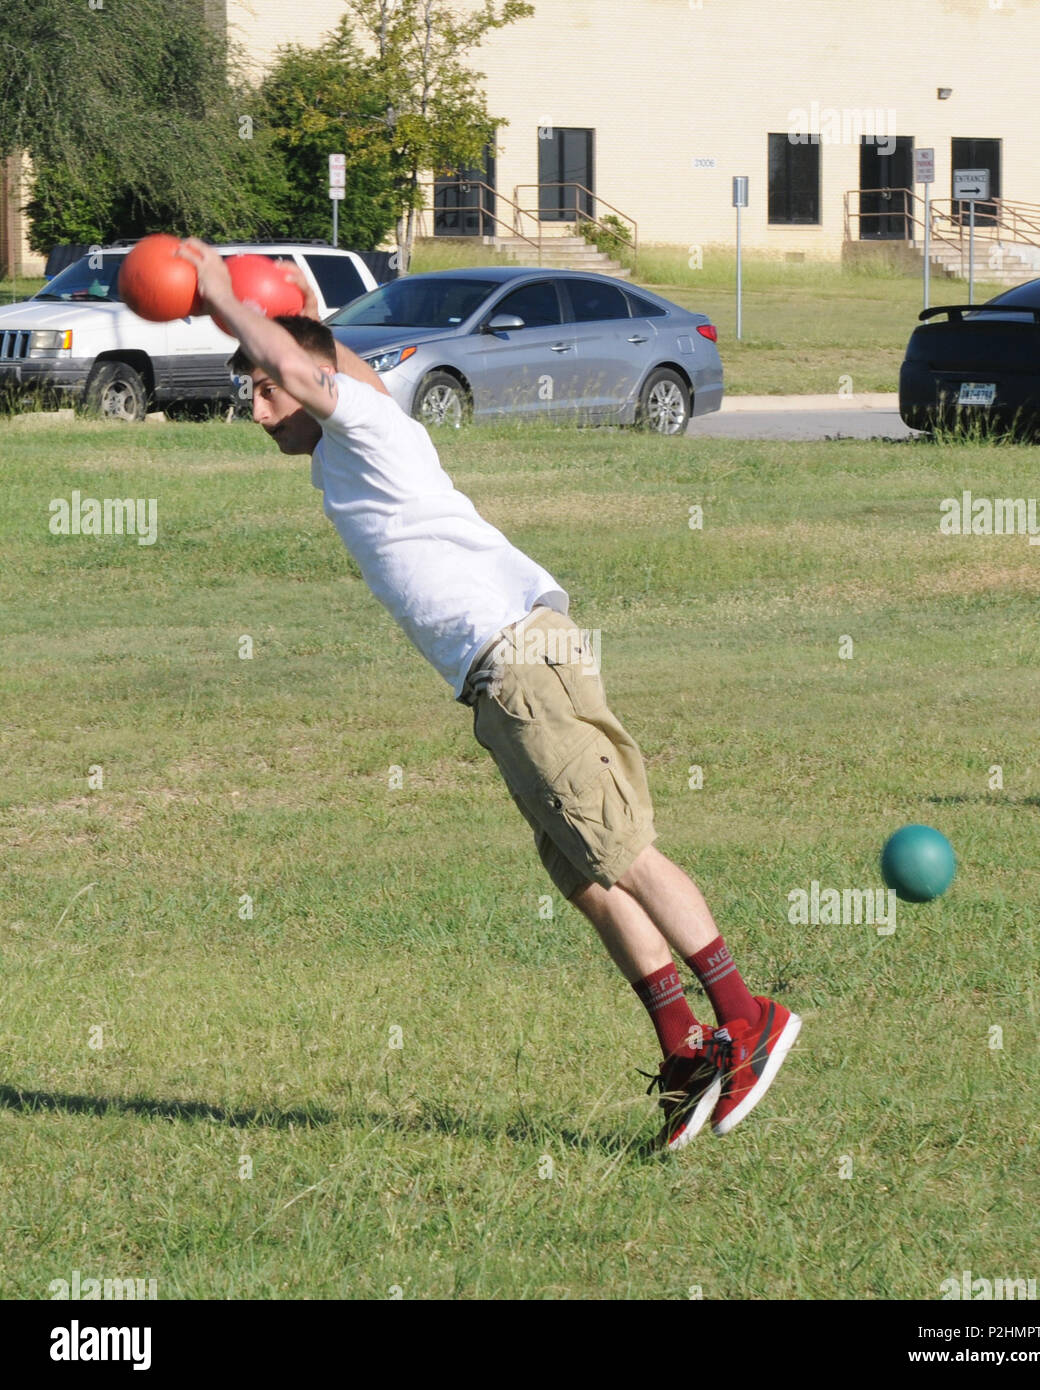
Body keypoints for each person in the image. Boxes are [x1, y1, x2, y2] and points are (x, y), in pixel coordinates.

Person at [177, 239, 801, 1150]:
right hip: (497, 677)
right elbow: (318, 356)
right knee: (585, 871)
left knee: (619, 847)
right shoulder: (361, 434)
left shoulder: (366, 428)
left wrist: (224, 297)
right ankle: (685, 1046)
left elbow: (304, 364)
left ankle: (747, 1017)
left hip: (517, 661)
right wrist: (280, 310)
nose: (258, 408)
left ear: (310, 380)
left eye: (266, 390)